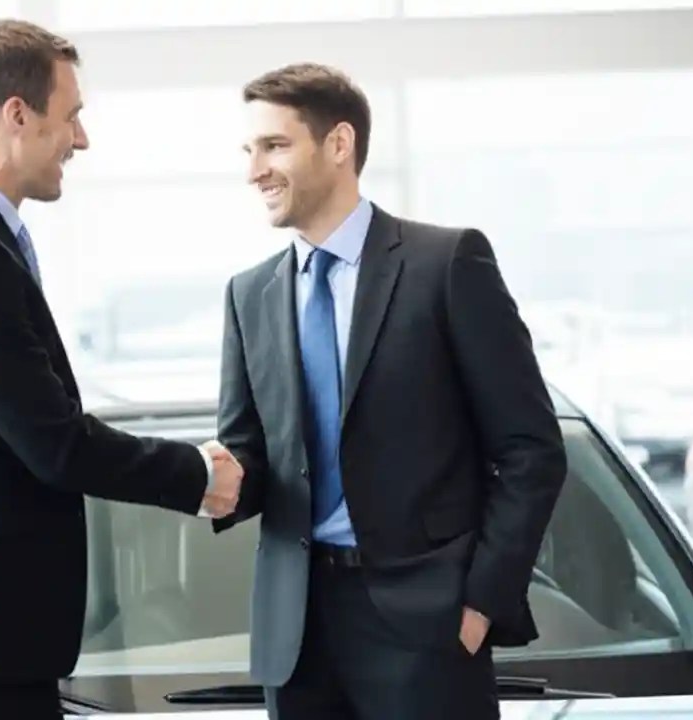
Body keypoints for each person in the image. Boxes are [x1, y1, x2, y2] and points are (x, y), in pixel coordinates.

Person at [0, 19, 243, 719]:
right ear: (16, 115)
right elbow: (55, 444)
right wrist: (198, 476)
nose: (82, 139)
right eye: (71, 117)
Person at [211, 63, 568, 719]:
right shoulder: (248, 295)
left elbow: (531, 450)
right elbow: (249, 459)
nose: (253, 170)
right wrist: (194, 478)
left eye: (274, 146)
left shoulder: (447, 264)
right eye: (248, 150)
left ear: (339, 144)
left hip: (427, 632)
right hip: (296, 637)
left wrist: (479, 604)